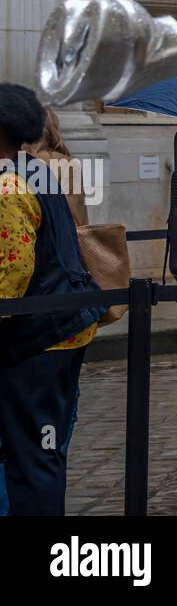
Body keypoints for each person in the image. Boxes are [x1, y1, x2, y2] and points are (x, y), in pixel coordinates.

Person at [0, 84, 104, 516]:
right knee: (45, 448)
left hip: (36, 339)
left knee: (31, 458)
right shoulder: (36, 168)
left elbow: (10, 278)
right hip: (64, 328)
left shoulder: (9, 186)